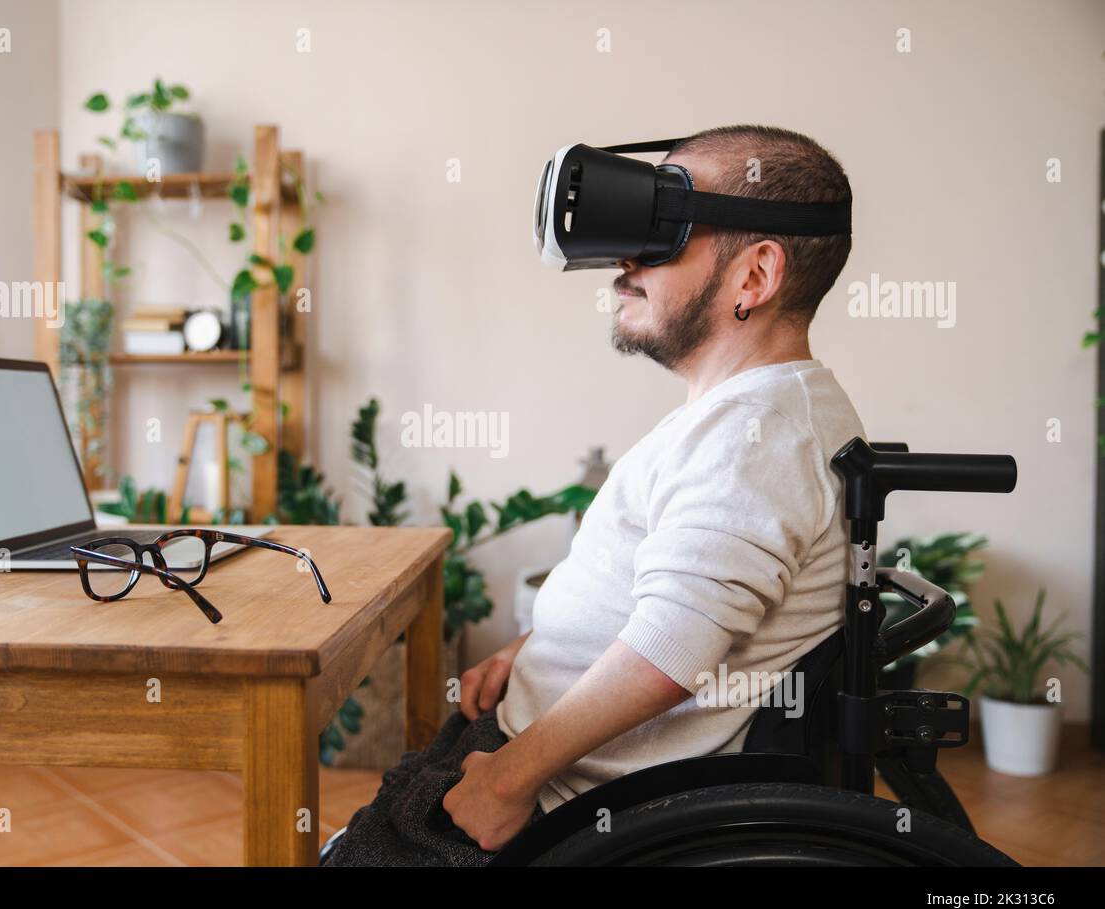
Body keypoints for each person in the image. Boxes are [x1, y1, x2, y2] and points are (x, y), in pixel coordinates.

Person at [324, 124, 865, 867]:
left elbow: (674, 646)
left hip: (565, 801)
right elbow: (665, 597)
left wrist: (509, 778)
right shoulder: (755, 414)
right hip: (542, 751)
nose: (624, 260)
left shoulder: (756, 438)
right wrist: (536, 648)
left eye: (663, 228)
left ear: (754, 278)